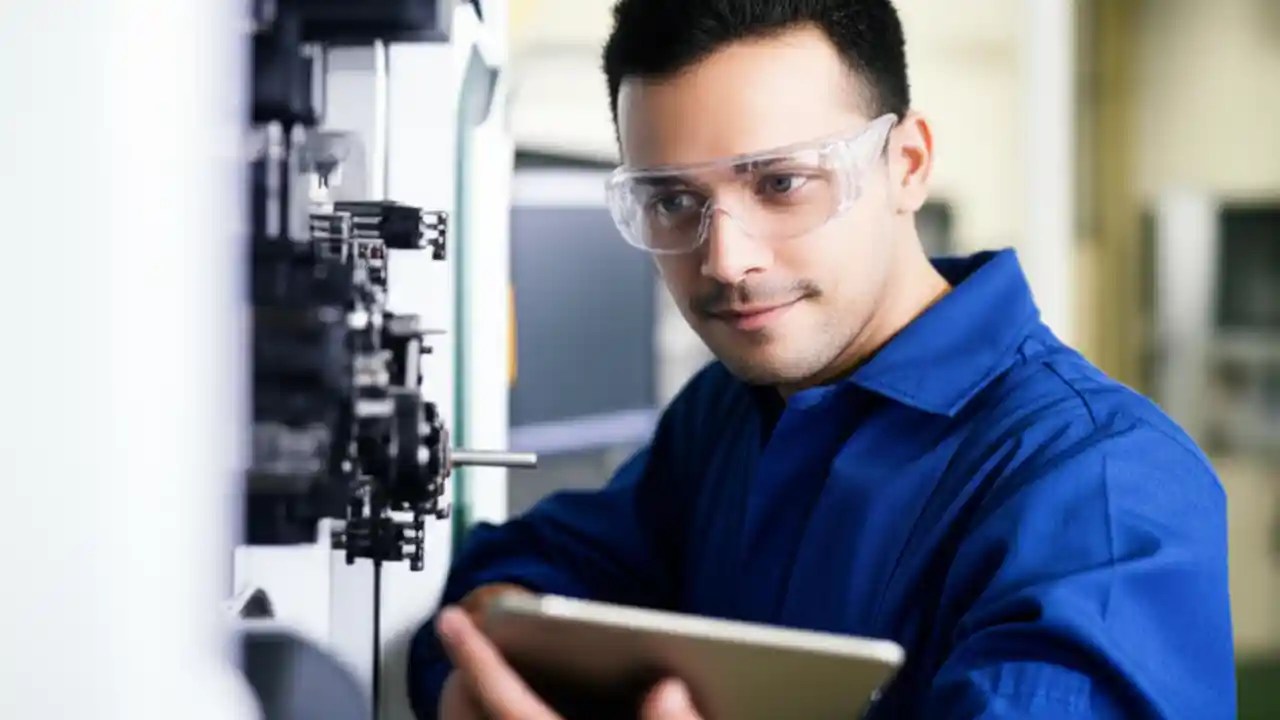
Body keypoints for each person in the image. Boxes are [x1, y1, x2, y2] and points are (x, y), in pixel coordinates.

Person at [408, 0, 1236, 717]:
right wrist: (477, 669)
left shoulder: (1103, 489)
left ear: (906, 164)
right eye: (672, 201)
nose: (726, 260)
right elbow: (534, 566)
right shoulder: (736, 410)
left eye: (780, 184)